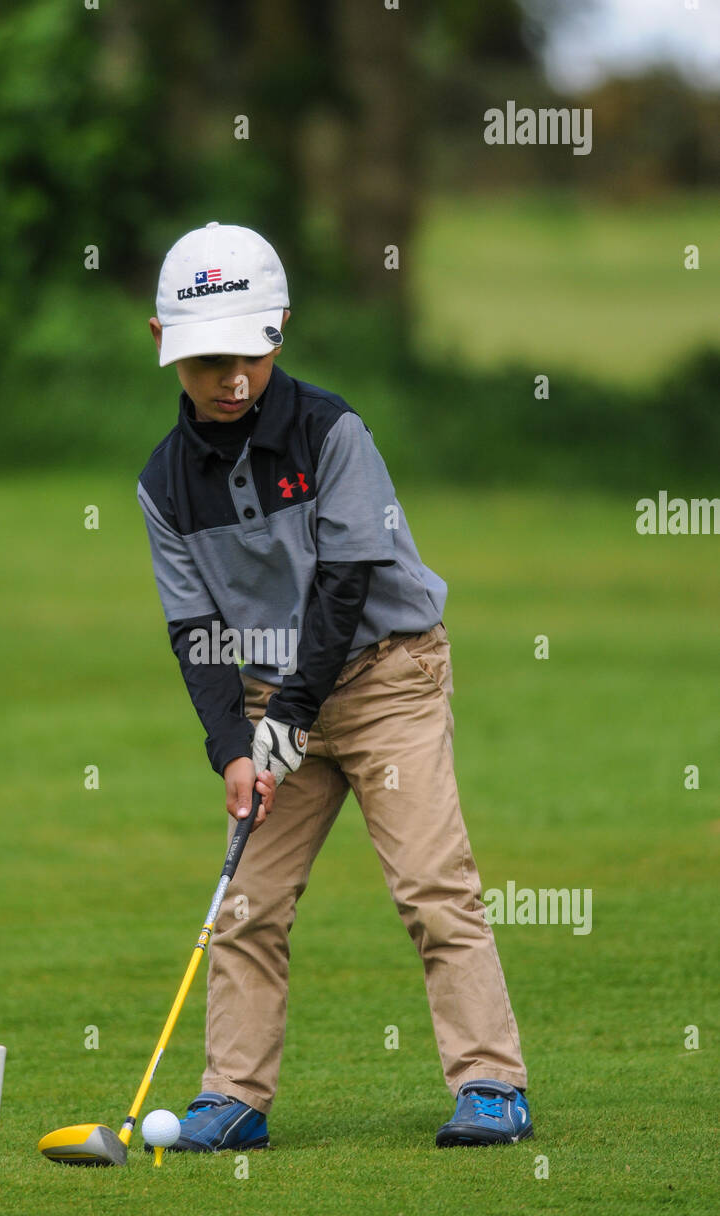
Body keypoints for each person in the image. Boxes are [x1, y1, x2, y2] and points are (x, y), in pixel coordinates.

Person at [137, 221, 532, 1150]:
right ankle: (231, 1096)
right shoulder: (163, 483)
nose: (232, 380)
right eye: (209, 362)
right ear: (164, 347)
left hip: (388, 676)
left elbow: (345, 583)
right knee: (245, 903)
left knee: (434, 884)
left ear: (279, 331)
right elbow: (194, 630)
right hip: (274, 702)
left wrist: (293, 717)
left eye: (249, 355)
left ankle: (491, 1084)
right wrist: (234, 747)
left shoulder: (332, 432)